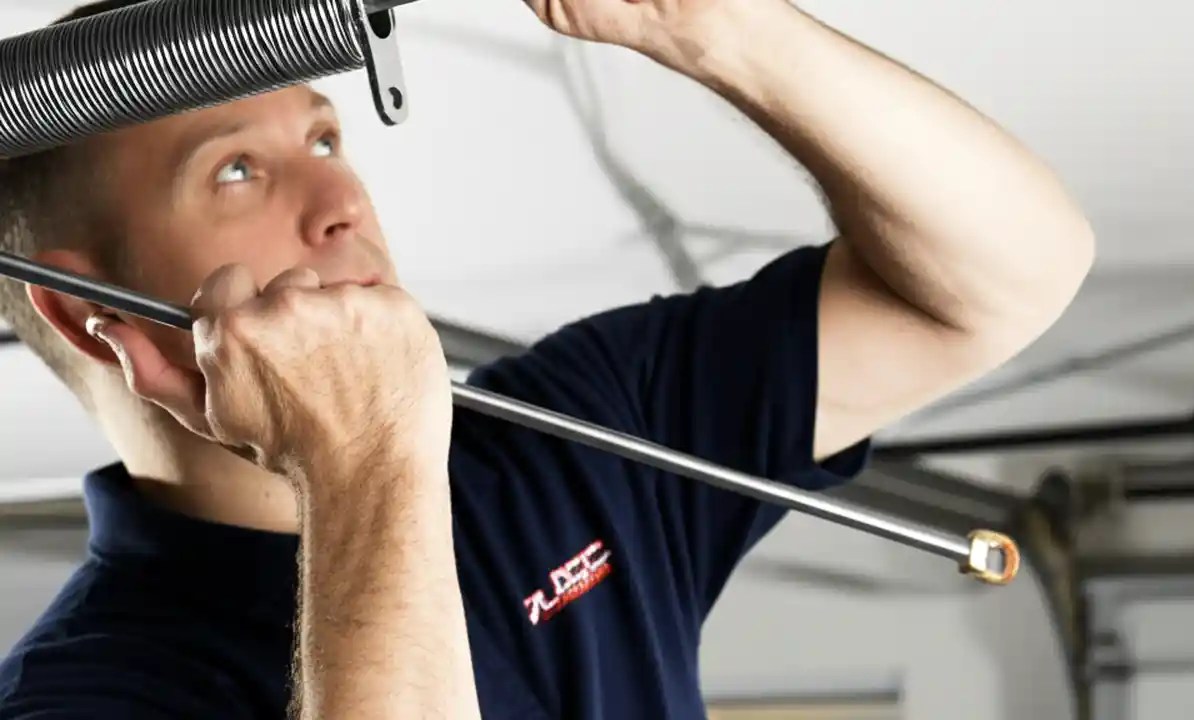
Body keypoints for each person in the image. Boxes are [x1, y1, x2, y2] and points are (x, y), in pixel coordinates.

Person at [0, 0, 1096, 717]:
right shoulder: (88, 693)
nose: (342, 206)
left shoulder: (573, 436)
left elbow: (1005, 274)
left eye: (326, 140)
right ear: (97, 315)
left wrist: (707, 26)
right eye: (236, 173)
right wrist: (370, 459)